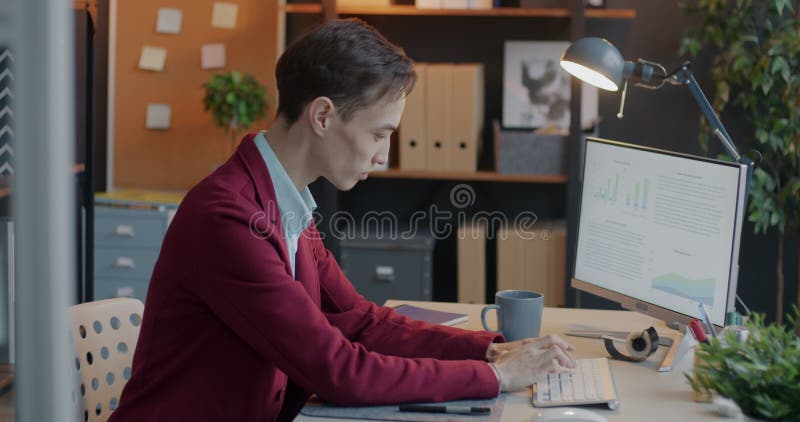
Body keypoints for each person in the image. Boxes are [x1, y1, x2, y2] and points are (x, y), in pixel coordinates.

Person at [109, 18, 576, 422]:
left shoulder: (283, 201)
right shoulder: (228, 217)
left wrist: (487, 350)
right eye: (379, 133)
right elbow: (338, 369)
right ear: (323, 116)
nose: (384, 154)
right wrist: (496, 377)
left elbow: (359, 322)